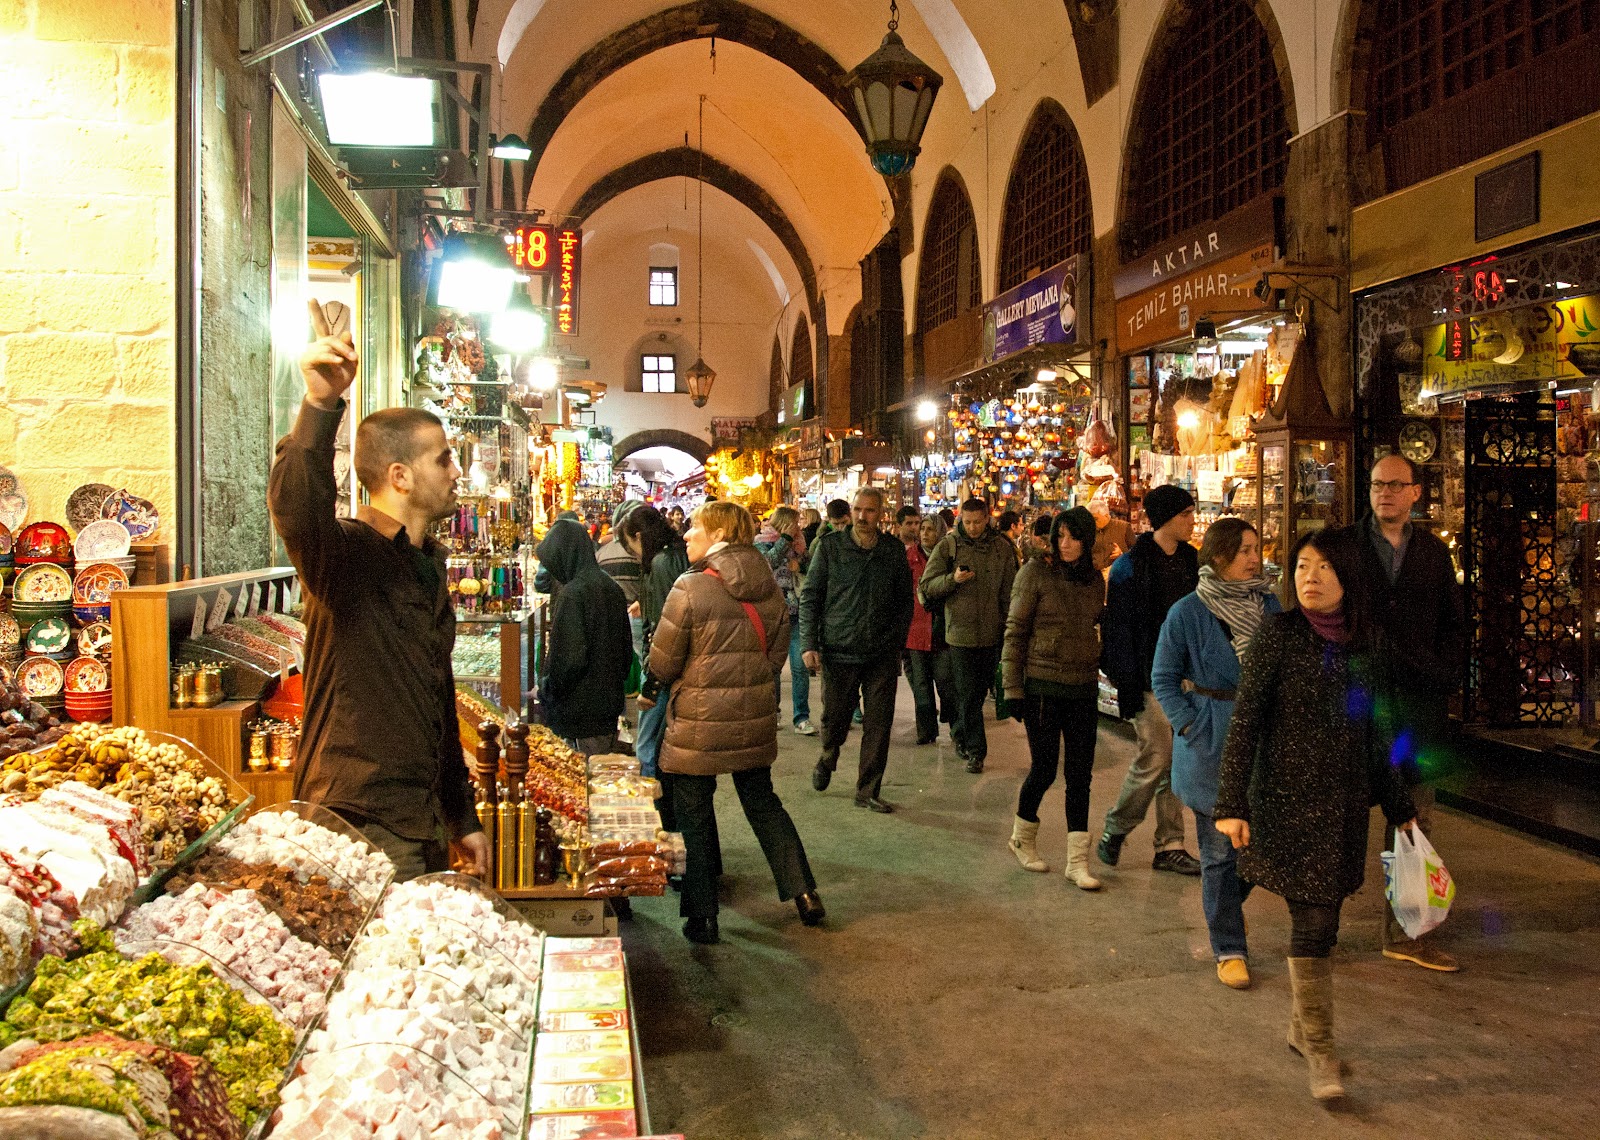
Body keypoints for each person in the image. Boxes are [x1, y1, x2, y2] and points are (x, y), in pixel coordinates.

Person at [268, 306, 488, 881]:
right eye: (443, 459)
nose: (456, 471)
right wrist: (319, 405)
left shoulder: (425, 566)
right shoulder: (346, 557)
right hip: (356, 818)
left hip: (415, 820)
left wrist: (460, 813)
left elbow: (435, 699)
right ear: (400, 477)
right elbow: (297, 509)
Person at [1214, 527, 1416, 1101]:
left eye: (1324, 567)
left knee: (1321, 921)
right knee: (1316, 923)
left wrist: (1399, 804)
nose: (1310, 577)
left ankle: (1304, 1030)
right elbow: (1246, 722)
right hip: (1283, 803)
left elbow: (1375, 730)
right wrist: (1230, 803)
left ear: (1350, 576)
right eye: (1302, 566)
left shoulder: (1369, 643)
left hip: (1344, 808)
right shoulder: (1277, 636)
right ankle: (1322, 1046)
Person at [648, 500, 824, 944]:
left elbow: (664, 664)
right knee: (763, 802)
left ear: (719, 533)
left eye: (695, 528)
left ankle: (703, 916)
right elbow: (775, 657)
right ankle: (804, 893)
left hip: (699, 722)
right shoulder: (769, 585)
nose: (686, 534)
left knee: (695, 813)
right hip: (753, 716)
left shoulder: (690, 587)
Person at [1151, 518, 1280, 990]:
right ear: (1220, 555)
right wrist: (1190, 724)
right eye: (1245, 550)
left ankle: (1221, 906)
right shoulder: (1187, 612)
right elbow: (1163, 677)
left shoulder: (1269, 605)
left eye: (1256, 548)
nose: (1254, 558)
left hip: (1263, 742)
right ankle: (1229, 946)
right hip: (1212, 740)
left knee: (1261, 846)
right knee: (1221, 852)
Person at [1356, 453, 1465, 973]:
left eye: (1396, 485)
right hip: (1360, 703)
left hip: (1417, 705)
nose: (1385, 494)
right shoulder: (1348, 548)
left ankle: (1405, 931)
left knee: (1414, 821)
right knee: (1335, 811)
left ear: (1416, 493)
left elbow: (1452, 623)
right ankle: (1313, 924)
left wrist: (1444, 675)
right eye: (1378, 484)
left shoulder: (1433, 555)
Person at [1096, 484, 1203, 875]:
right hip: (1148, 677)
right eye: (1186, 515)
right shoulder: (1131, 566)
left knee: (1173, 763)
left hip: (1188, 678)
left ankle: (1170, 844)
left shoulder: (1192, 561)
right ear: (1167, 519)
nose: (1192, 521)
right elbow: (1118, 630)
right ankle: (1116, 827)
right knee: (1156, 756)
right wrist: (1127, 685)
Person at [1001, 507, 1105, 889]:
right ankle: (1021, 838)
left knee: (1080, 776)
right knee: (1044, 769)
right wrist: (1012, 688)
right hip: (1043, 685)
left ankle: (1077, 862)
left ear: (1086, 539)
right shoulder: (1034, 573)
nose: (1064, 544)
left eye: (1073, 537)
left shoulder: (1094, 580)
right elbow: (1015, 631)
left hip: (1082, 686)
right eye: (1059, 536)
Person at [800, 487, 915, 812]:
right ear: (851, 512)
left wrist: (896, 641)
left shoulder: (892, 550)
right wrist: (809, 643)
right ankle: (828, 753)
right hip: (839, 650)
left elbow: (904, 601)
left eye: (870, 511)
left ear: (882, 514)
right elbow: (811, 596)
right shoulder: (831, 547)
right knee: (835, 719)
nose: (863, 516)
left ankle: (868, 790)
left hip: (881, 653)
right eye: (858, 509)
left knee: (879, 724)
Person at [919, 498, 1018, 773]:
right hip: (958, 634)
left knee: (978, 691)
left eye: (978, 522)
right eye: (967, 522)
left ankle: (962, 734)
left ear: (987, 519)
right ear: (960, 519)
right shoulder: (949, 546)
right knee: (967, 693)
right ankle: (976, 751)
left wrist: (1009, 628)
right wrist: (953, 579)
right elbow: (927, 585)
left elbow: (1010, 592)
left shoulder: (1001, 548)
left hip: (991, 634)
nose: (973, 528)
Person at [536, 518, 633, 755]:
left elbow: (568, 660)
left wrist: (547, 689)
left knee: (580, 781)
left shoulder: (573, 594)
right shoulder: (610, 587)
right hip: (606, 708)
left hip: (578, 714)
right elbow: (625, 654)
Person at [755, 506, 814, 736]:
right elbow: (767, 562)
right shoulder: (762, 541)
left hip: (798, 612)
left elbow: (812, 568)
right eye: (793, 523)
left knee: (800, 666)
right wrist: (785, 540)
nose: (798, 527)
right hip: (772, 612)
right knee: (774, 668)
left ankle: (802, 716)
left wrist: (801, 564)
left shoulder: (800, 544)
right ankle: (773, 712)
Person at [905, 512, 954, 746]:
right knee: (921, 686)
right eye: (923, 529)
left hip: (942, 630)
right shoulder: (909, 558)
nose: (925, 533)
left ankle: (956, 728)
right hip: (915, 631)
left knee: (946, 682)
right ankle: (925, 731)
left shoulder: (948, 557)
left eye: (930, 529)